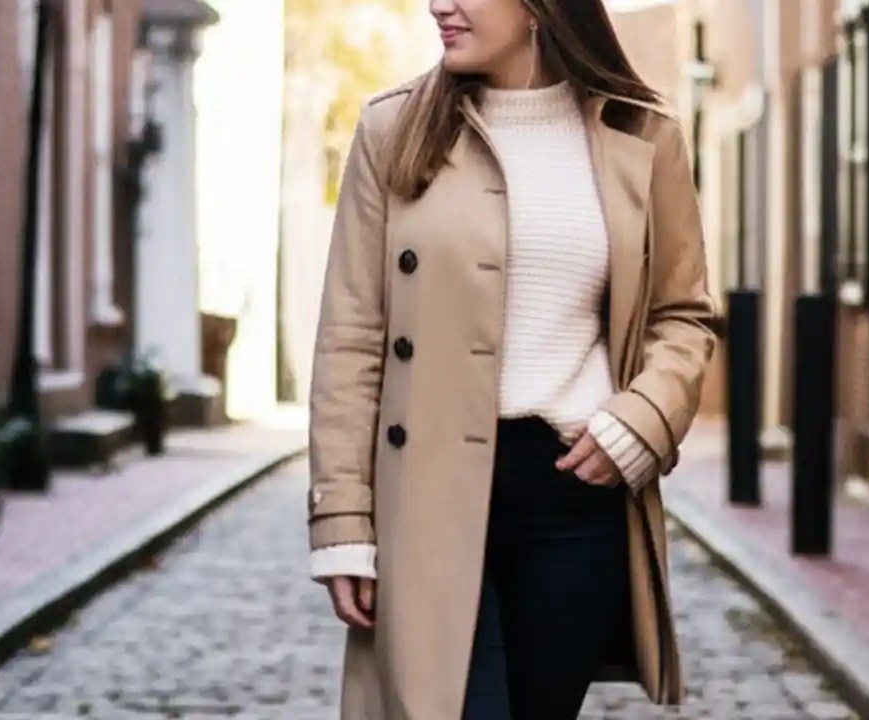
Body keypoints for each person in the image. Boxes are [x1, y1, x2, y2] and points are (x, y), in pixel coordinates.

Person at [306, 0, 716, 717]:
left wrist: (642, 419)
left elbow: (681, 316)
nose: (439, 5)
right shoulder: (392, 129)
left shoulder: (641, 135)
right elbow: (352, 338)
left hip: (573, 492)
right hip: (428, 494)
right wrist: (343, 523)